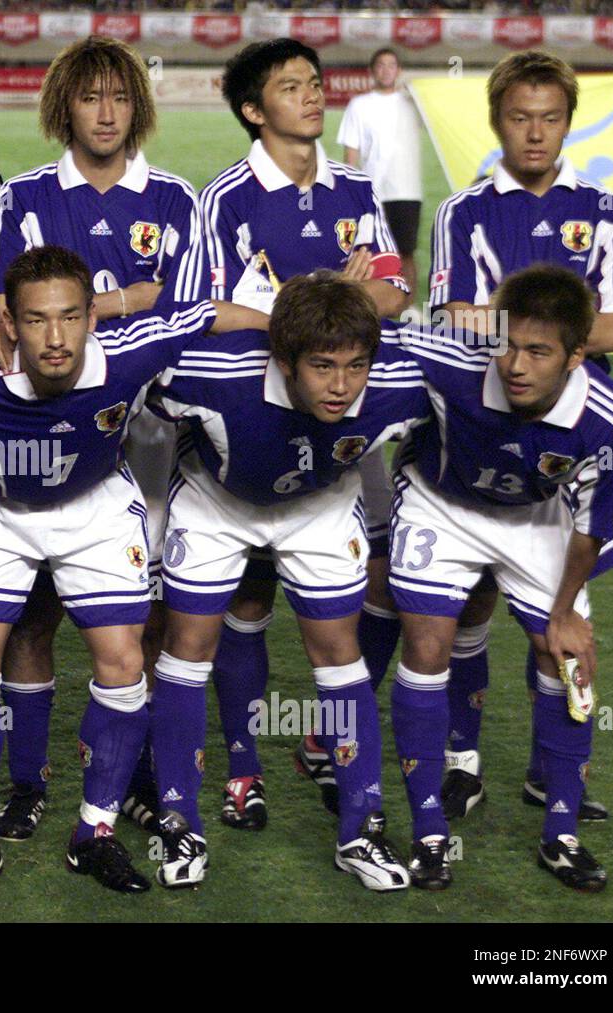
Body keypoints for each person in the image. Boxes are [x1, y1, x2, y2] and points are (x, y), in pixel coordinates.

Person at [0, 245, 236, 897]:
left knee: (122, 661)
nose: (55, 338)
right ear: (7, 321)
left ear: (94, 314)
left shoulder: (132, 348)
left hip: (94, 505)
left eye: (69, 317)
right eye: (36, 320)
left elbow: (210, 313)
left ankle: (95, 831)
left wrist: (294, 331)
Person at [0, 34, 222, 842]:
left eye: (120, 97)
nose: (107, 113)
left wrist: (113, 315)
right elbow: (8, 325)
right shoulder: (27, 195)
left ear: (139, 106)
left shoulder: (178, 200)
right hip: (52, 429)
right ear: (64, 108)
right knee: (34, 616)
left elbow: (187, 324)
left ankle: (134, 768)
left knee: (139, 618)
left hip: (153, 431)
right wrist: (121, 304)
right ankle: (28, 779)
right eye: (91, 97)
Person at [149, 272, 430, 889]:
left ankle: (361, 830)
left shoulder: (401, 381)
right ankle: (178, 820)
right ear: (283, 357)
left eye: (356, 366)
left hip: (320, 505)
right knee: (187, 649)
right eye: (323, 365)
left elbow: (487, 368)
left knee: (339, 655)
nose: (341, 386)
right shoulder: (211, 373)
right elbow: (122, 361)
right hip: (215, 501)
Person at [197, 38, 409, 831]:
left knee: (382, 584)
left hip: (349, 424)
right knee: (247, 597)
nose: (313, 97)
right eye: (291, 87)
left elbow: (392, 288)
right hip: (258, 419)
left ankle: (326, 740)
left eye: (315, 83)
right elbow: (213, 313)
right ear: (255, 109)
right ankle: (244, 771)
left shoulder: (355, 183)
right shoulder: (226, 197)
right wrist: (325, 295)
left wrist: (324, 303)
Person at [422, 50, 613, 822]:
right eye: (520, 117)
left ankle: (555, 774)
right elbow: (454, 320)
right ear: (497, 122)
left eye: (550, 117)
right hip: (486, 426)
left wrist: (514, 324)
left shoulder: (604, 209)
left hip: (572, 440)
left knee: (563, 623)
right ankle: (462, 760)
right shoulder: (466, 211)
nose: (535, 132)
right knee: (471, 603)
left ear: (568, 122)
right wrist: (552, 332)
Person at [389, 265, 613, 891]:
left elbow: (591, 527)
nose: (515, 365)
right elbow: (372, 332)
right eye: (507, 343)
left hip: (535, 518)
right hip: (440, 504)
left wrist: (563, 614)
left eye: (538, 351)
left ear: (578, 355)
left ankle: (560, 835)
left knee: (570, 659)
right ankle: (428, 834)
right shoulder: (449, 359)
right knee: (425, 645)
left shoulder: (610, 421)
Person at [338, 47, 425, 306]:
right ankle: (370, 306)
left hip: (407, 191)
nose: (386, 70)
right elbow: (351, 152)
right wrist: (351, 191)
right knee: (368, 253)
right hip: (372, 192)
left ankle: (407, 307)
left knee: (406, 253)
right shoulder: (359, 105)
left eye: (391, 65)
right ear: (372, 71)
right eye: (381, 65)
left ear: (399, 71)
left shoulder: (414, 104)